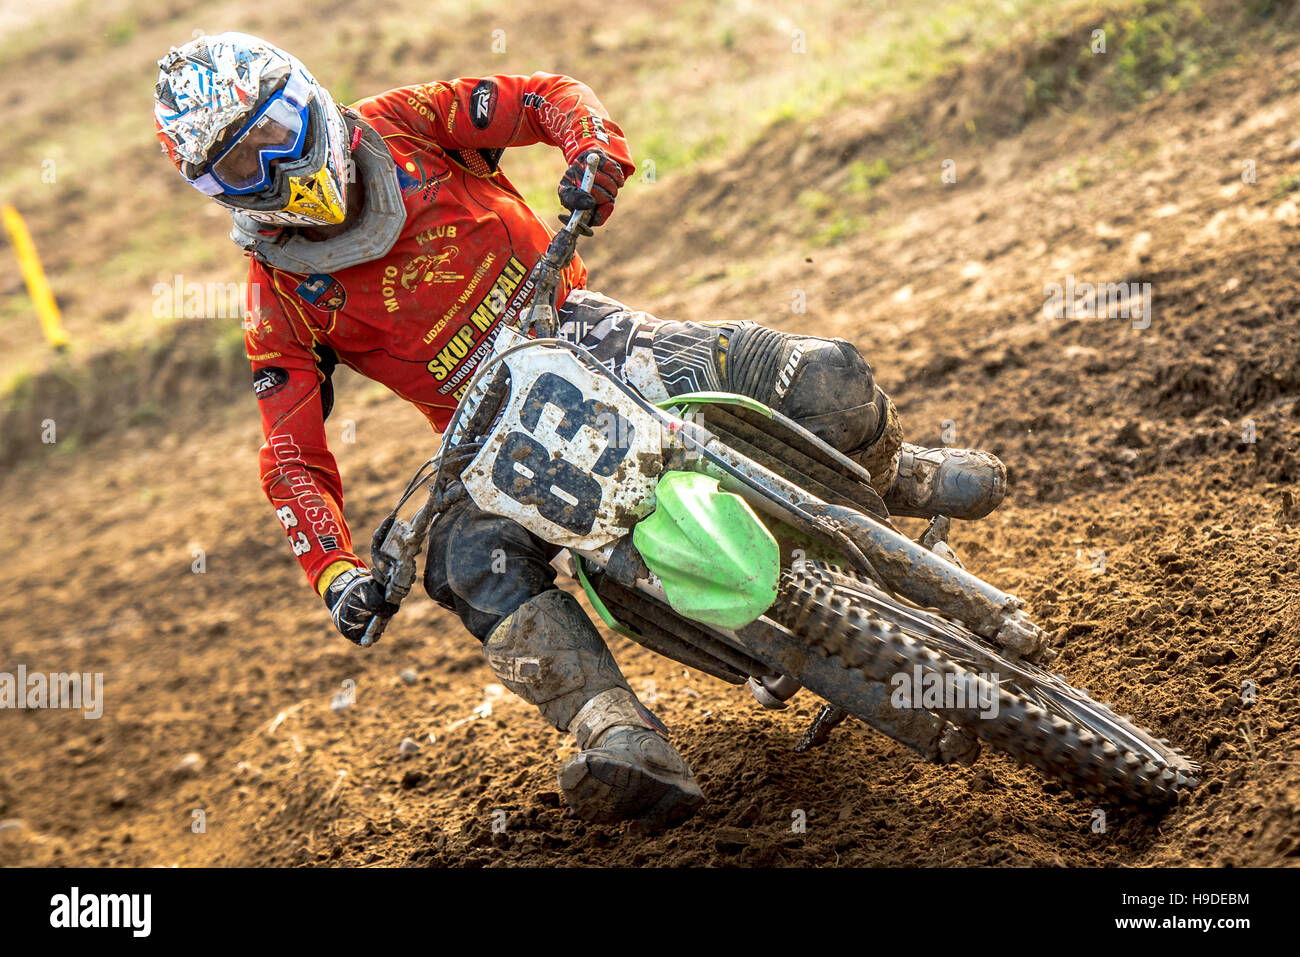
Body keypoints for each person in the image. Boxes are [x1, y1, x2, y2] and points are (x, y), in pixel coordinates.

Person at [153, 32, 1007, 829]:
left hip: (591, 333)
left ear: (307, 99)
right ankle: (617, 734)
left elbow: (542, 96)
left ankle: (902, 474)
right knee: (462, 564)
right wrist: (335, 570)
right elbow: (291, 453)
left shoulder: (407, 124)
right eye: (235, 164)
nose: (269, 166)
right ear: (210, 190)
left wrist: (592, 148)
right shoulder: (279, 298)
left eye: (271, 131)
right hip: (485, 437)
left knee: (817, 371)